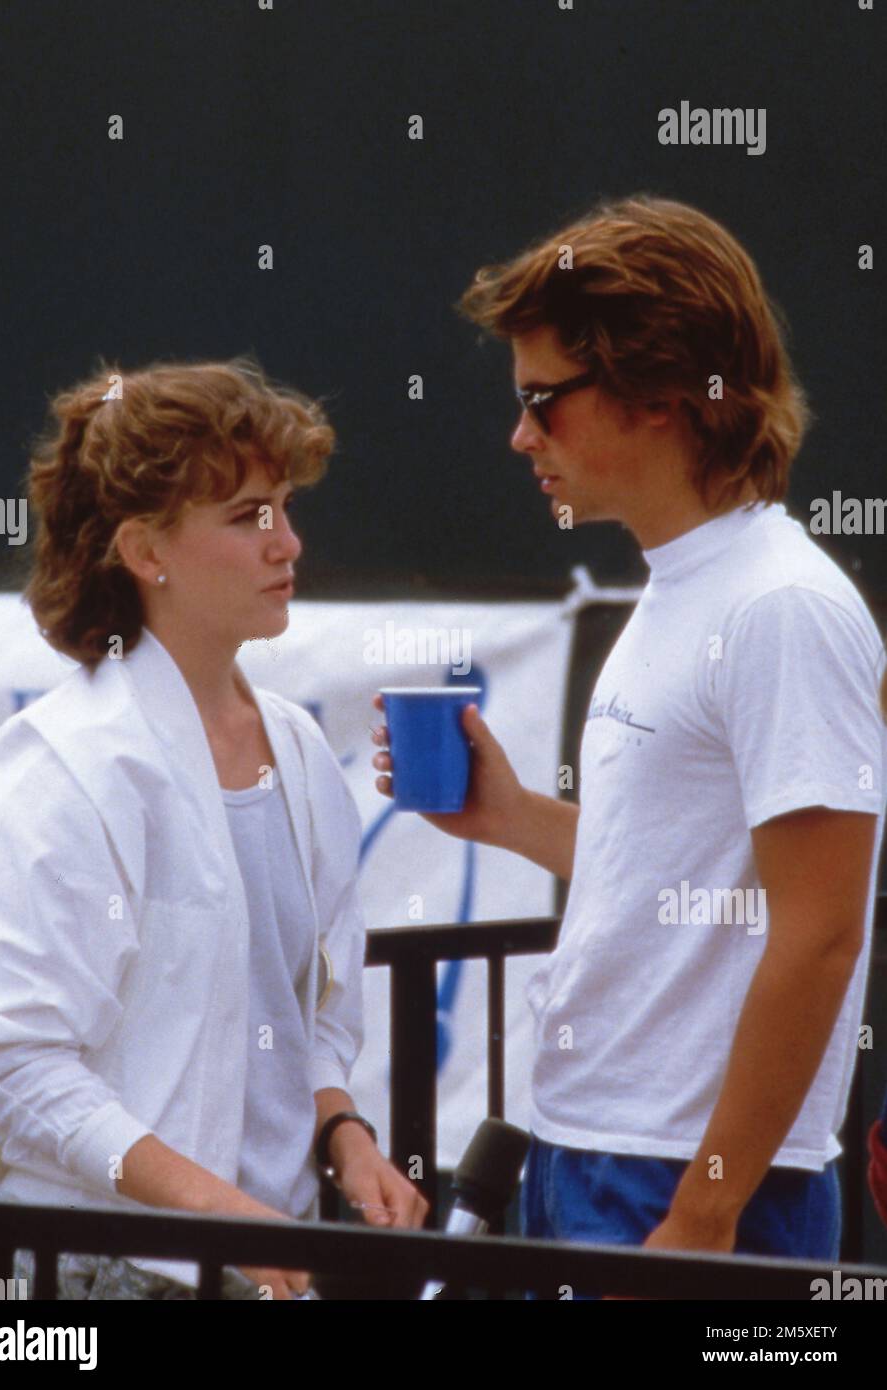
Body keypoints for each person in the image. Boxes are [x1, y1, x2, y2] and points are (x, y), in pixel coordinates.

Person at [373, 195, 887, 1297]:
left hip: (684, 1188)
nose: (519, 436)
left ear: (659, 392)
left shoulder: (778, 606)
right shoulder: (687, 587)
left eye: (541, 402)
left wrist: (704, 1207)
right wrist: (511, 821)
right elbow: (688, 876)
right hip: (593, 1155)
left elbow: (820, 934)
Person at [0, 354, 427, 1301]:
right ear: (144, 550)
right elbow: (11, 1060)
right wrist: (219, 1212)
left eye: (285, 506)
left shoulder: (293, 748)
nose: (287, 542)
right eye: (249, 515)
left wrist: (344, 1136)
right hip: (96, 1278)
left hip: (257, 1270)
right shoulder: (60, 769)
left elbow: (307, 1024)